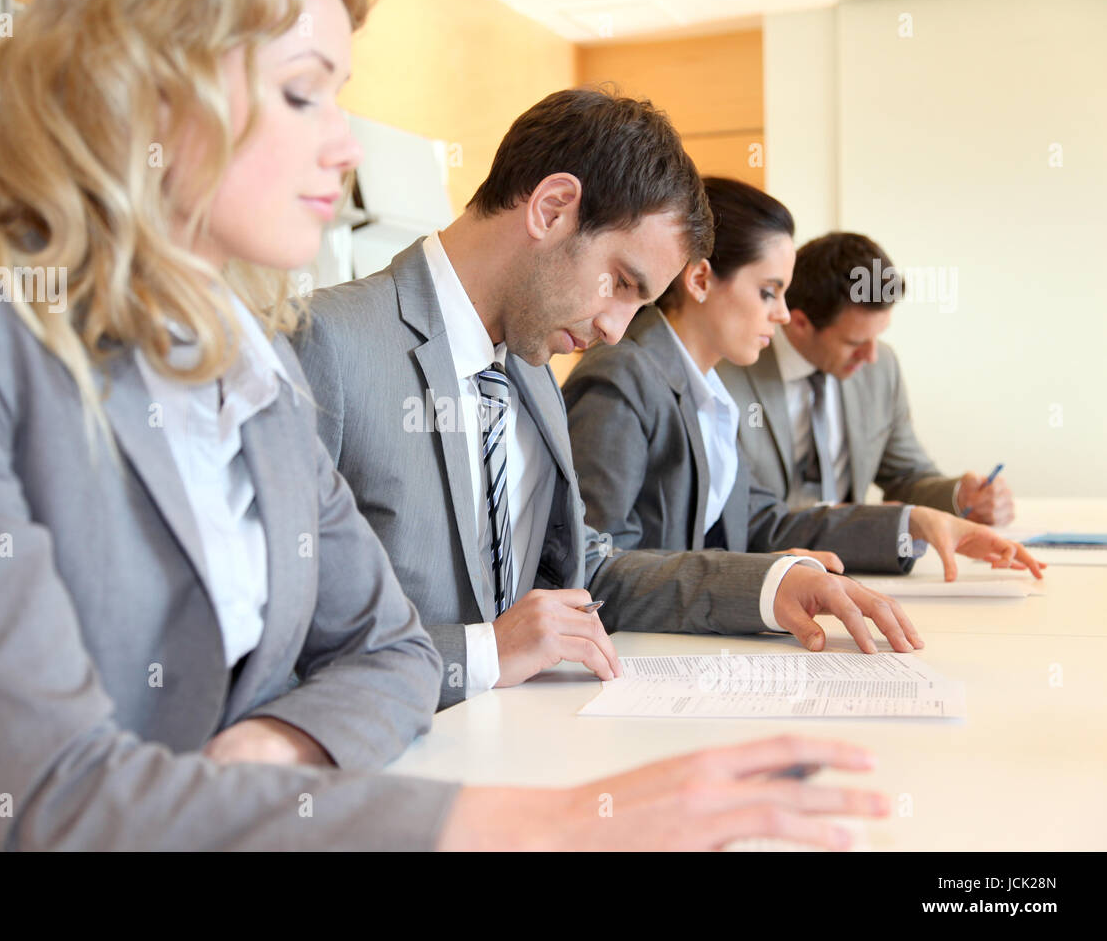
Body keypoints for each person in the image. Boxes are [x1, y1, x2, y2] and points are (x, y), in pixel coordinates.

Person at [0, 0, 889, 853]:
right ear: (144, 90)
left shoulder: (241, 353)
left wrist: (270, 750)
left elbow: (387, 649)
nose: (343, 149)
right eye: (302, 95)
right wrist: (550, 822)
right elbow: (54, 795)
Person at [291, 88, 927, 718]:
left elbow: (585, 575)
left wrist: (773, 583)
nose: (618, 330)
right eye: (621, 283)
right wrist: (484, 652)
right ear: (553, 208)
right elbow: (278, 647)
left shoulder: (530, 366)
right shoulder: (325, 344)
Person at [562, 178, 1041, 585]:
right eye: (768, 291)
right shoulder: (623, 377)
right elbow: (594, 570)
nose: (784, 314)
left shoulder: (703, 387)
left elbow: (762, 523)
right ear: (701, 281)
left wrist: (911, 521)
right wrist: (758, 582)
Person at [717, 230, 1016, 526]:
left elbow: (905, 476)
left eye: (878, 336)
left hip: (855, 560)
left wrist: (960, 497)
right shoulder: (727, 371)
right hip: (769, 560)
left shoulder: (881, 368)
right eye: (854, 342)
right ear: (799, 323)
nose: (871, 355)